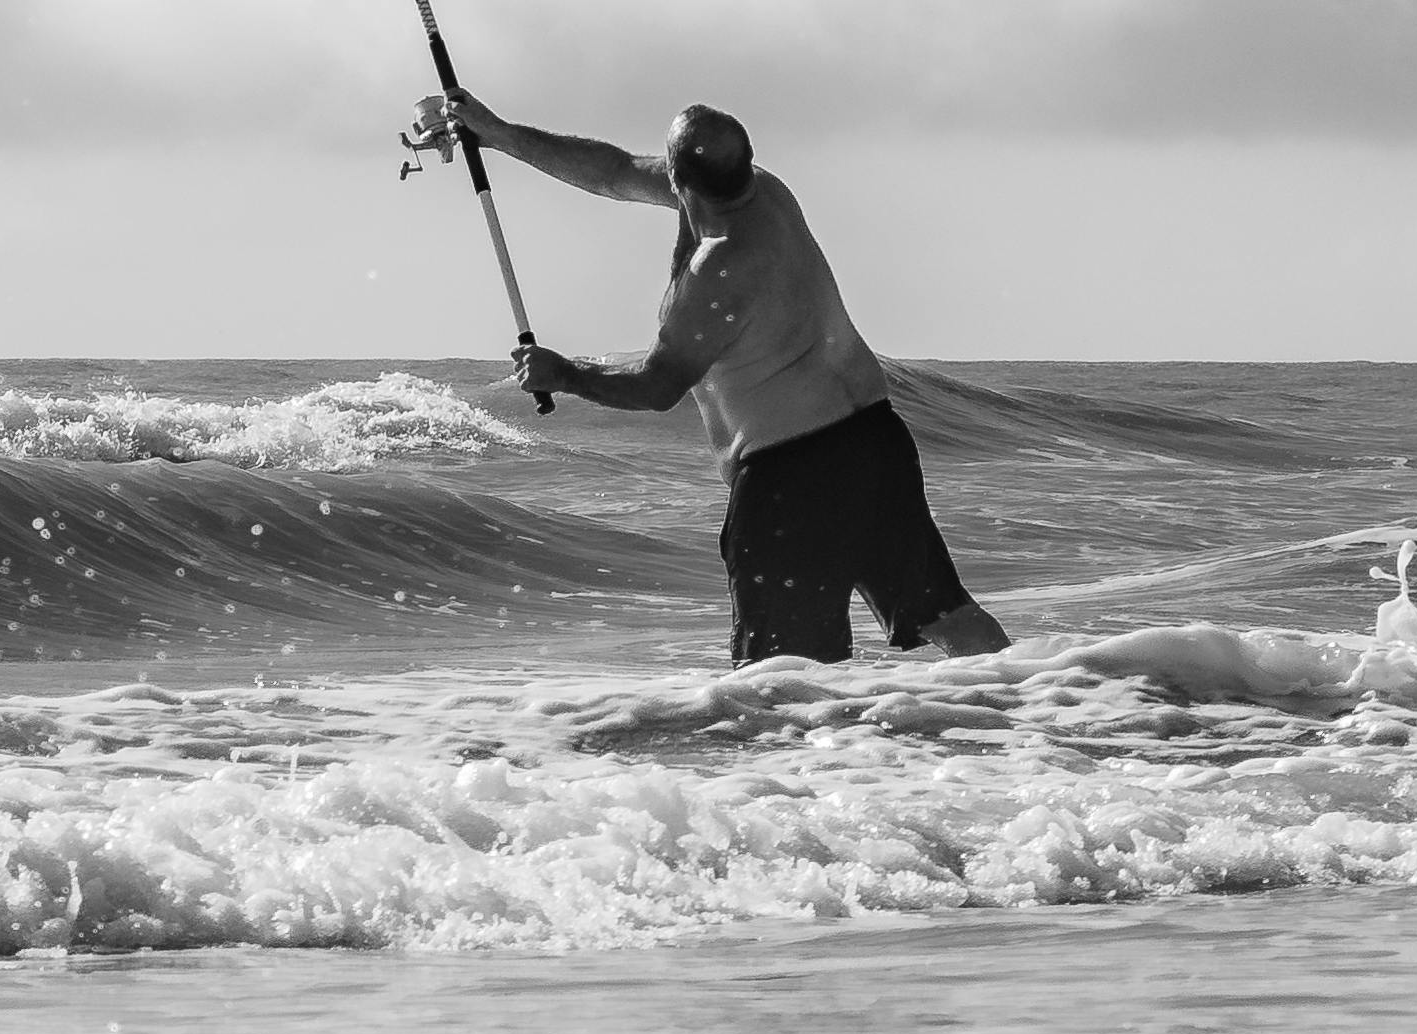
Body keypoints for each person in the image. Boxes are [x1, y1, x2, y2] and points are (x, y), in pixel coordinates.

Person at [401, 89, 1008, 665]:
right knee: (945, 615)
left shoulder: (719, 269)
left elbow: (658, 386)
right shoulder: (765, 191)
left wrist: (565, 373)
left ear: (679, 178)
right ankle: (1040, 705)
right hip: (877, 444)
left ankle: (793, 769)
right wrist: (500, 133)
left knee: (778, 669)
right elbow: (611, 169)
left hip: (792, 476)